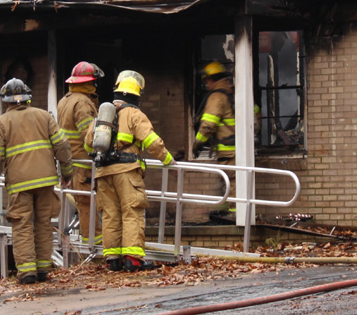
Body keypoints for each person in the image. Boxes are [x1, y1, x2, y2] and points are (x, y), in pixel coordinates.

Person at [0, 78, 74, 285]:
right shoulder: (44, 116)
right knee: (44, 224)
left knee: (22, 226)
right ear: (28, 97)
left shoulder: (0, 124)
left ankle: (27, 273)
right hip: (46, 180)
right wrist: (67, 173)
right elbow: (62, 146)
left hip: (18, 184)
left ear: (6, 101)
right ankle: (43, 269)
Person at [84, 70, 174, 272]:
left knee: (110, 215)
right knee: (132, 213)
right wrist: (169, 161)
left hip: (103, 174)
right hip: (126, 173)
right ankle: (133, 259)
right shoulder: (135, 114)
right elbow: (151, 141)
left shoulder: (102, 116)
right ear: (136, 95)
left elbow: (89, 145)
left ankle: (112, 259)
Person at [56, 61, 104, 247]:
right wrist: (100, 153)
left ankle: (92, 241)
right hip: (84, 163)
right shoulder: (83, 103)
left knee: (85, 204)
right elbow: (89, 135)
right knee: (88, 204)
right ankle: (95, 245)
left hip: (72, 162)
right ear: (88, 83)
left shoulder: (65, 100)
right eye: (94, 82)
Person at [193, 61, 236, 212]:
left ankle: (235, 223)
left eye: (207, 81)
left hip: (229, 153)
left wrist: (197, 143)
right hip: (239, 150)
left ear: (212, 79)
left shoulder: (216, 97)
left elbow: (208, 125)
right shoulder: (234, 94)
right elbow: (256, 118)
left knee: (233, 188)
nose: (207, 85)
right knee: (234, 185)